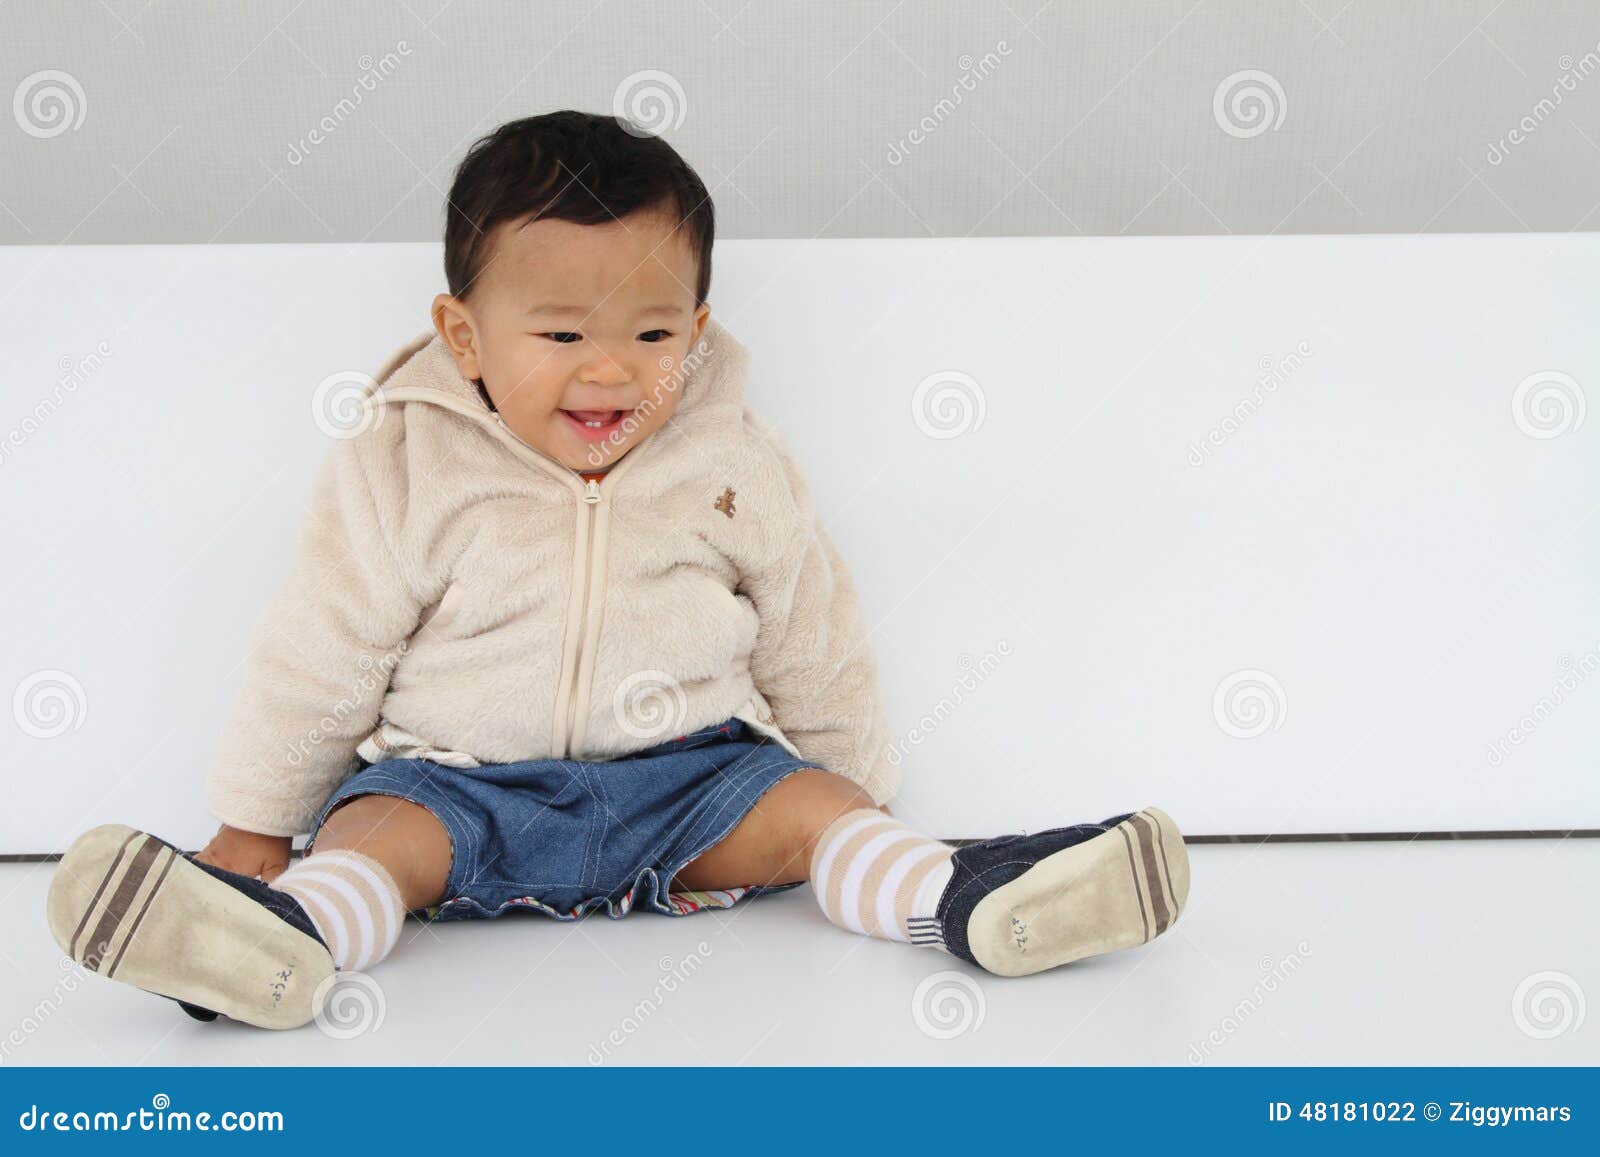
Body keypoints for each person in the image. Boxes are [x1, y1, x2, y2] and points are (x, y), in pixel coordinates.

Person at [46, 111, 1188, 1029]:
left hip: (690, 781)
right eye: (558, 336)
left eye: (651, 337)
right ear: (463, 337)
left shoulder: (731, 456)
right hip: (459, 786)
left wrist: (856, 782)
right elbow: (322, 642)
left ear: (694, 329)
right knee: (370, 848)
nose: (610, 373)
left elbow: (808, 624)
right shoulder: (404, 458)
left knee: (817, 814)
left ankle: (963, 897)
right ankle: (276, 937)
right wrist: (254, 820)